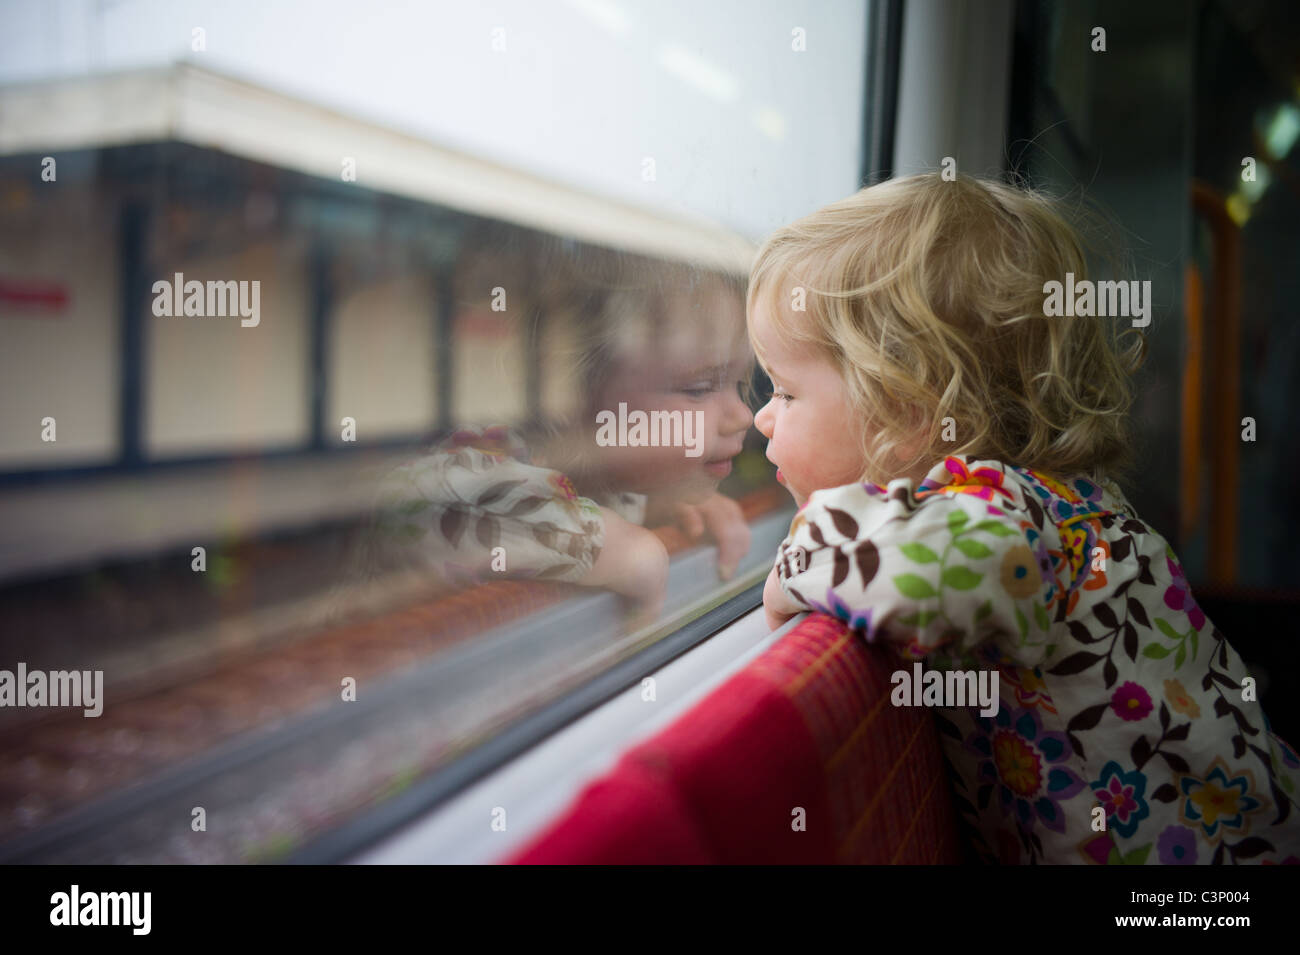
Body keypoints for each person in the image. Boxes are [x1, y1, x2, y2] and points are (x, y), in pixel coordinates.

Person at [752, 173, 1300, 864]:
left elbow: (928, 582)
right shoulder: (1058, 502)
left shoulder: (1012, 510)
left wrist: (801, 554)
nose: (761, 416)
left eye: (784, 389)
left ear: (908, 404)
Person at [364, 253, 755, 627]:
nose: (743, 415)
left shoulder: (619, 486)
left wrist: (667, 512)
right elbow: (407, 503)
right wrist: (600, 543)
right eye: (700, 388)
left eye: (740, 384)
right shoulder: (509, 456)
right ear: (578, 392)